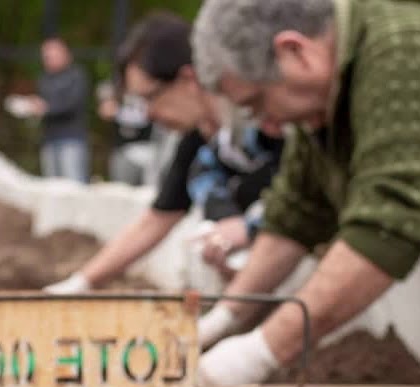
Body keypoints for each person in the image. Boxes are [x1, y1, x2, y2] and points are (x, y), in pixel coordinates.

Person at [189, 0, 420, 387]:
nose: (268, 126)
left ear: (295, 51)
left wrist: (255, 355)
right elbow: (296, 213)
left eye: (257, 103)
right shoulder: (327, 95)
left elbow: (390, 222)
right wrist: (224, 319)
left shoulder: (403, 58)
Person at [43, 12, 283, 296]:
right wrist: (81, 283)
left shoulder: (271, 124)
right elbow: (156, 219)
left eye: (149, 97)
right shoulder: (200, 145)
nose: (148, 113)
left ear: (188, 79)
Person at [21, 36, 91, 183]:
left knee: (74, 186)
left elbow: (71, 104)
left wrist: (46, 108)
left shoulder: (76, 76)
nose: (47, 59)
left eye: (51, 55)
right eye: (45, 56)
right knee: (51, 188)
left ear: (65, 54)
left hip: (72, 140)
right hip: (49, 140)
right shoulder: (44, 78)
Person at [96, 81, 155, 186]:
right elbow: (105, 108)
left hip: (148, 150)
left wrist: (117, 112)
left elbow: (147, 115)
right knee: (121, 189)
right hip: (122, 150)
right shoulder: (116, 88)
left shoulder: (152, 87)